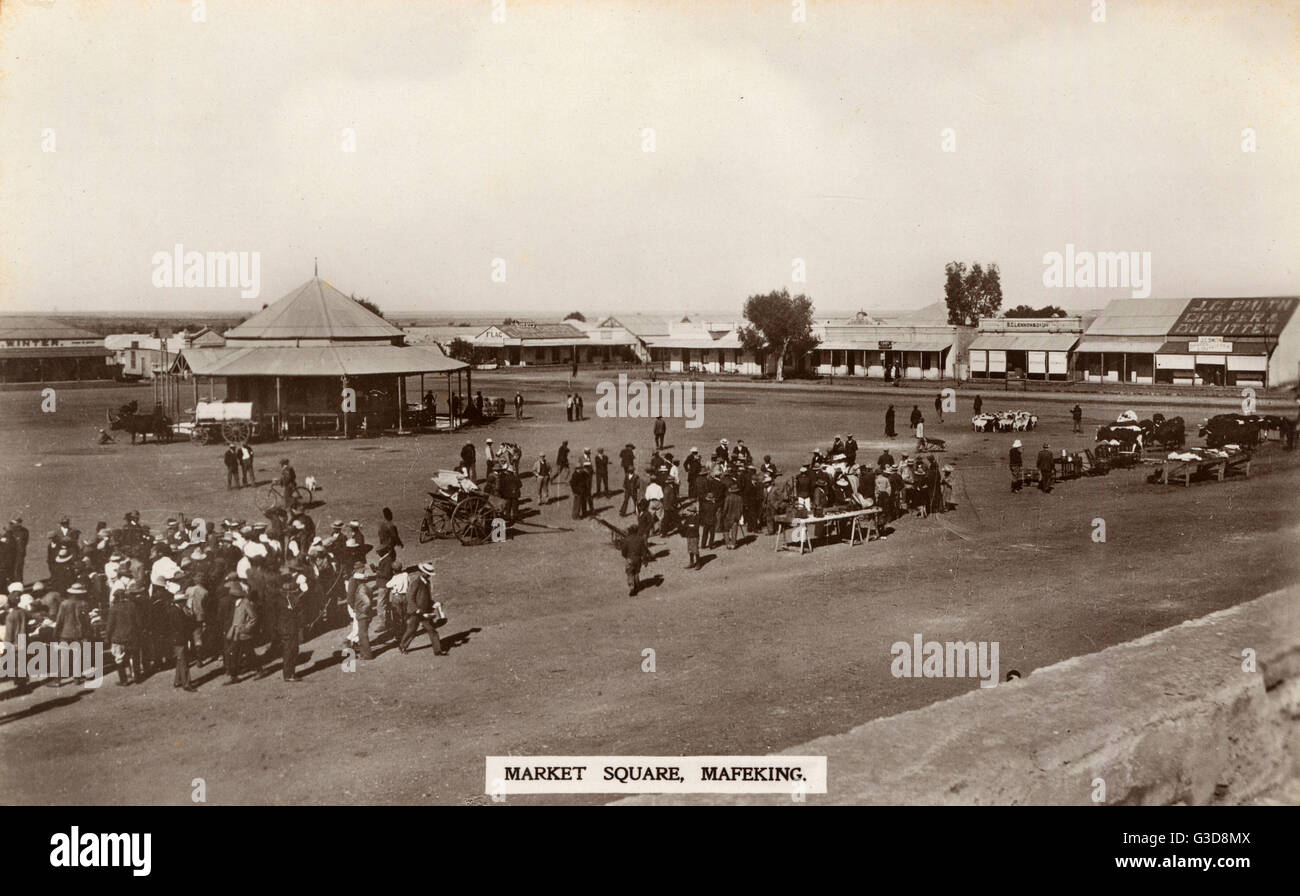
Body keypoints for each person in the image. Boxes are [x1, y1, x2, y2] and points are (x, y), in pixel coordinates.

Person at [400, 561, 447, 655]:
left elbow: (426, 598)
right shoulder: (416, 583)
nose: (429, 576)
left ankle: (438, 651)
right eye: (428, 574)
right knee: (411, 630)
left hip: (424, 612)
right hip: (416, 612)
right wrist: (416, 609)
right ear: (422, 572)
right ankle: (402, 646)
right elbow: (410, 597)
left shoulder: (426, 582)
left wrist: (433, 604)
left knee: (431, 630)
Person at [105, 585, 142, 686]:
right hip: (131, 636)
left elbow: (110, 625)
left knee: (119, 658)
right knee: (134, 657)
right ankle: (137, 677)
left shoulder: (113, 609)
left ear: (115, 598)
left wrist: (107, 637)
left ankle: (124, 680)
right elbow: (138, 622)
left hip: (118, 638)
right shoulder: (132, 605)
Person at [224, 582, 258, 684]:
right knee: (233, 653)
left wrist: (246, 628)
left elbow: (254, 617)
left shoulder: (245, 603)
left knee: (249, 654)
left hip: (243, 634)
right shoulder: (236, 604)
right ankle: (234, 676)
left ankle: (259, 669)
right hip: (236, 633)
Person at [166, 589, 198, 691]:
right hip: (179, 639)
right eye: (184, 600)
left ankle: (178, 680)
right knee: (184, 661)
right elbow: (181, 626)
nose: (185, 602)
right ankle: (186, 683)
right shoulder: (177, 612)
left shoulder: (174, 610)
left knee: (180, 660)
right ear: (180, 602)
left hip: (176, 638)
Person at [621, 525, 648, 597]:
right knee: (636, 572)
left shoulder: (626, 539)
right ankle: (637, 585)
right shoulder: (640, 539)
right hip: (638, 559)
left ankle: (632, 588)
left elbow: (623, 551)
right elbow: (644, 551)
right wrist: (645, 560)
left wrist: (626, 556)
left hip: (630, 558)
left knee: (630, 573)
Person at [721, 479, 744, 549]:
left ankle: (728, 543)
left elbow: (725, 508)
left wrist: (723, 515)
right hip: (736, 517)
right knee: (734, 531)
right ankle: (734, 543)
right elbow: (741, 509)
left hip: (728, 516)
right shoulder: (740, 498)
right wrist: (739, 516)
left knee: (726, 530)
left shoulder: (728, 498)